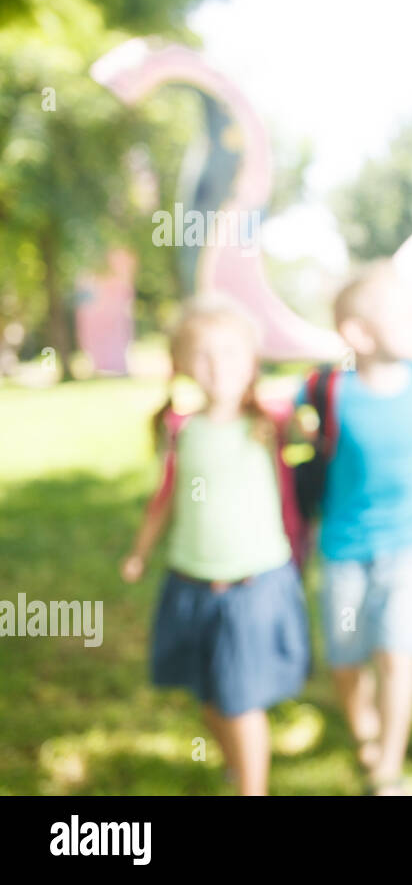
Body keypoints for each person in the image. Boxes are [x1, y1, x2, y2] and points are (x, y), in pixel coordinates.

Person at [121, 294, 310, 796]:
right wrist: (140, 552)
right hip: (190, 581)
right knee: (207, 694)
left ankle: (253, 789)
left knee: (239, 700)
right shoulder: (181, 430)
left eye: (230, 353)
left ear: (252, 361)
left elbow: (317, 413)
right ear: (181, 364)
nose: (216, 366)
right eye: (202, 354)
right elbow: (164, 500)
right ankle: (235, 765)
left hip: (252, 585)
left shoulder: (269, 423)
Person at [296, 259, 412, 795]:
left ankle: (388, 768)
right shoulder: (328, 390)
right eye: (407, 317)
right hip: (343, 548)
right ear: (357, 333)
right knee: (346, 657)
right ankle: (364, 732)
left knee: (398, 653)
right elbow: (283, 426)